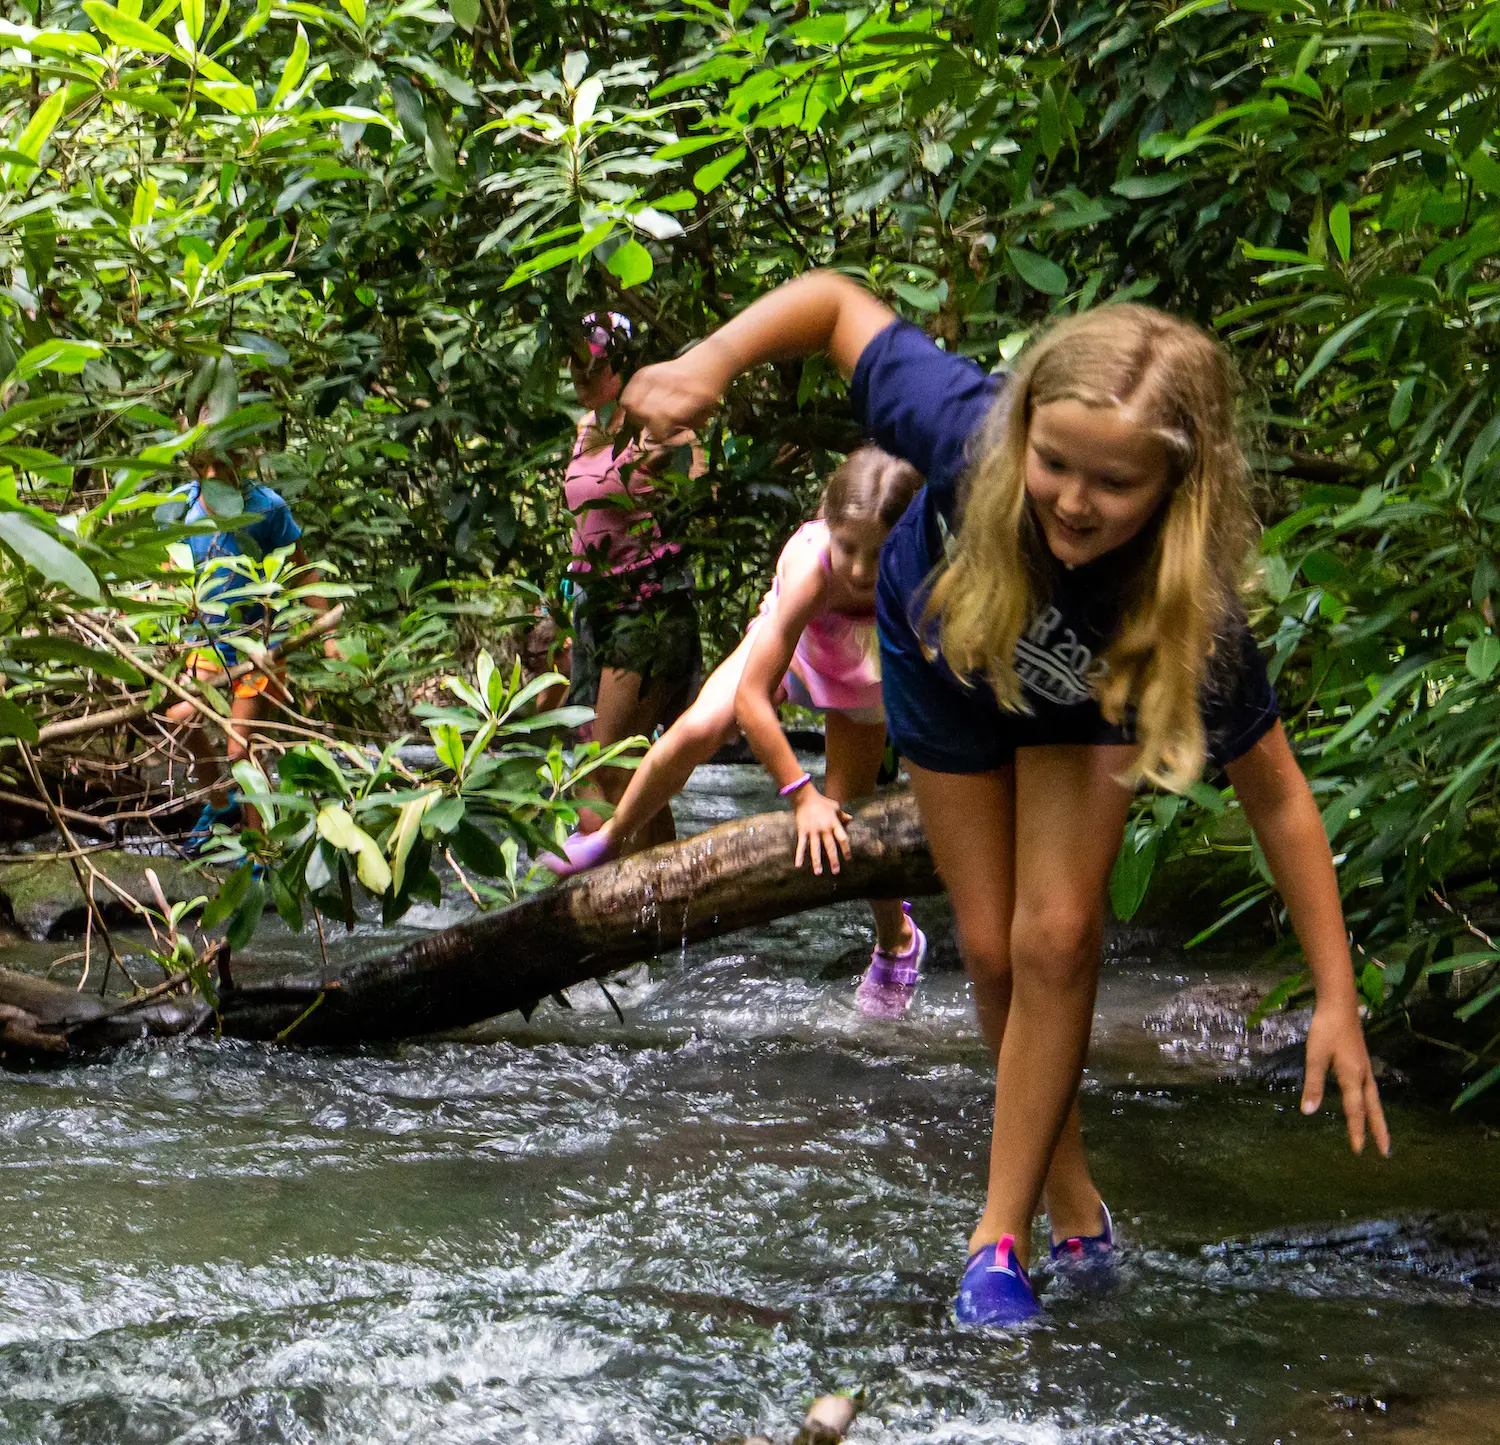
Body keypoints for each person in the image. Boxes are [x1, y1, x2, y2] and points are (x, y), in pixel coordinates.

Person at [616, 272, 1391, 1327]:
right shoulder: (966, 429)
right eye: (1055, 463)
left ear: (1175, 485)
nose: (1074, 499)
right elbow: (839, 306)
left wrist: (1336, 994)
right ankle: (1073, 1195)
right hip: (945, 653)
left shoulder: (1184, 604)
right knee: (987, 951)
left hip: (1083, 697)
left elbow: (1282, 800)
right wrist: (709, 362)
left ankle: (998, 1240)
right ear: (1022, 427)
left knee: (1058, 940)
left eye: (1113, 483)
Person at [542, 446, 930, 1018]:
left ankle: (896, 938)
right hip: (796, 648)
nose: (859, 571)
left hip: (861, 672)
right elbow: (751, 698)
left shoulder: (920, 573)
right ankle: (612, 836)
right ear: (827, 524)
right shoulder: (811, 568)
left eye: (879, 554)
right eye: (849, 548)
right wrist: (800, 794)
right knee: (696, 727)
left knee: (853, 817)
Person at [563, 311, 701, 849]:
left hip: (648, 608)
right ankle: (659, 916)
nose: (577, 372)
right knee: (609, 767)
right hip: (595, 607)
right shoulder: (586, 428)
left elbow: (702, 497)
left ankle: (619, 908)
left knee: (608, 765)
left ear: (618, 364)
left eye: (588, 361)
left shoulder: (659, 427)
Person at [163, 451, 338, 854]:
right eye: (202, 464)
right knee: (178, 720)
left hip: (261, 644)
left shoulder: (267, 507)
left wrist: (326, 634)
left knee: (240, 747)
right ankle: (222, 806)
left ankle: (259, 848)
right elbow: (171, 569)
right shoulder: (182, 505)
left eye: (221, 463)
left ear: (241, 457)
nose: (211, 474)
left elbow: (303, 570)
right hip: (207, 641)